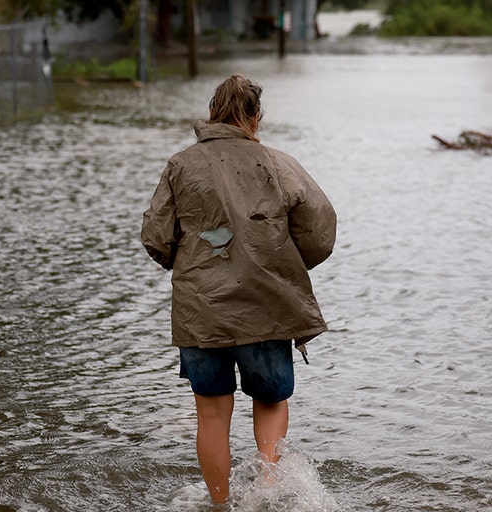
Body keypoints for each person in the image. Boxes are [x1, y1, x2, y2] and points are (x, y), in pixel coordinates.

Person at [141, 74, 336, 505]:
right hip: (266, 307)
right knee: (269, 401)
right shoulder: (278, 163)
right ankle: (266, 497)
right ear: (255, 117)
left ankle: (218, 504)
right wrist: (279, 262)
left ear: (212, 113)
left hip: (200, 311)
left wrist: (194, 264)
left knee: (211, 414)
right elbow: (320, 231)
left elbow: (156, 238)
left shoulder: (179, 165)